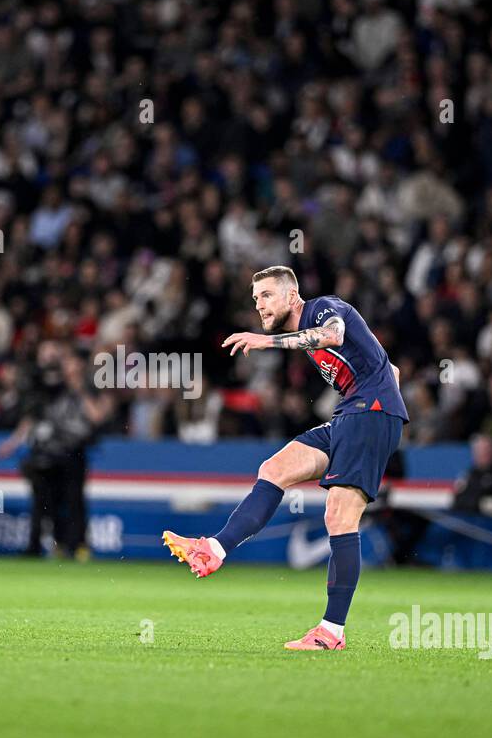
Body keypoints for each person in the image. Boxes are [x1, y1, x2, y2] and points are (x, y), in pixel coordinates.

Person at [163, 266, 408, 651]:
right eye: (255, 298)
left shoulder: (322, 309)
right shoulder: (308, 327)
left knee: (339, 516)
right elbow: (389, 368)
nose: (258, 305)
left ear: (291, 296)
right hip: (354, 413)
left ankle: (331, 632)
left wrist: (265, 342)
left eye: (266, 296)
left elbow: (333, 335)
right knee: (274, 469)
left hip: (370, 413)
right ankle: (214, 549)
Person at [0, 343, 111, 560]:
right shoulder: (47, 386)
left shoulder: (88, 386)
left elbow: (96, 417)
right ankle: (58, 544)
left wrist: (80, 391)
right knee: (52, 502)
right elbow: (32, 416)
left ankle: (79, 546)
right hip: (50, 453)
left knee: (75, 500)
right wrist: (12, 443)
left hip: (75, 451)